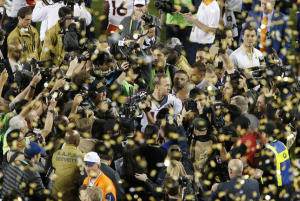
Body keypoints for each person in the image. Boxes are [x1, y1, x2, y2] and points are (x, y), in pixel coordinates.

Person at [241, 0, 291, 64]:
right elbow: (242, 36)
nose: (263, 7)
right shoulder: (252, 15)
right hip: (253, 59)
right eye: (262, 4)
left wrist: (279, 59)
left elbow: (287, 43)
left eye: (266, 5)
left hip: (273, 61)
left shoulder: (282, 19)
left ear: (273, 4)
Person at [182, 0, 220, 64]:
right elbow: (201, 21)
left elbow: (213, 30)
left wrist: (194, 21)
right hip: (194, 43)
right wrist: (192, 18)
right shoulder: (203, 2)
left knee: (201, 70)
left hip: (204, 46)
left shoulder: (214, 8)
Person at [51, 130, 84, 201]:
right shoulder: (80, 156)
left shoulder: (56, 153)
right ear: (78, 141)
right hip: (70, 196)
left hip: (55, 194)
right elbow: (82, 174)